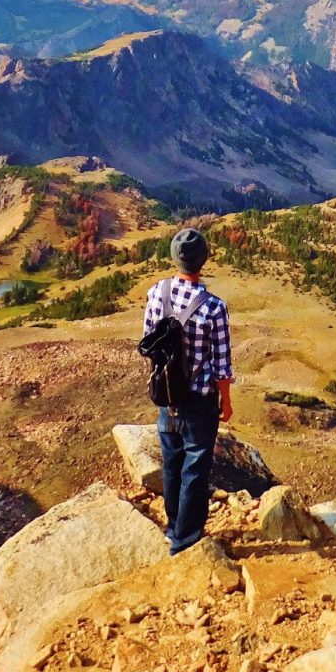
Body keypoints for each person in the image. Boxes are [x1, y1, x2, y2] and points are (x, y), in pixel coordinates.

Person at [142, 226, 233, 554]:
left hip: (167, 396)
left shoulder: (156, 293)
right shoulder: (214, 307)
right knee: (195, 466)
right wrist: (226, 401)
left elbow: (149, 344)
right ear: (204, 260)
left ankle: (173, 526)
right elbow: (221, 365)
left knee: (171, 461)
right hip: (199, 400)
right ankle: (186, 539)